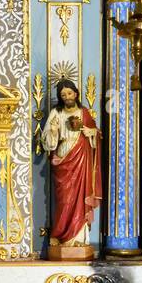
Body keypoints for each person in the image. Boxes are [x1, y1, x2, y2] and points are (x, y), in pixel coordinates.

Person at [41, 79, 102, 253]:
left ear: (75, 94)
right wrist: (53, 130)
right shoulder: (56, 112)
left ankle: (79, 238)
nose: (67, 97)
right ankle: (60, 235)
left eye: (69, 93)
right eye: (63, 95)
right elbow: (47, 141)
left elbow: (97, 135)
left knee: (80, 199)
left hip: (81, 159)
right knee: (64, 201)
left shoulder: (84, 113)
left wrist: (91, 133)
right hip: (63, 159)